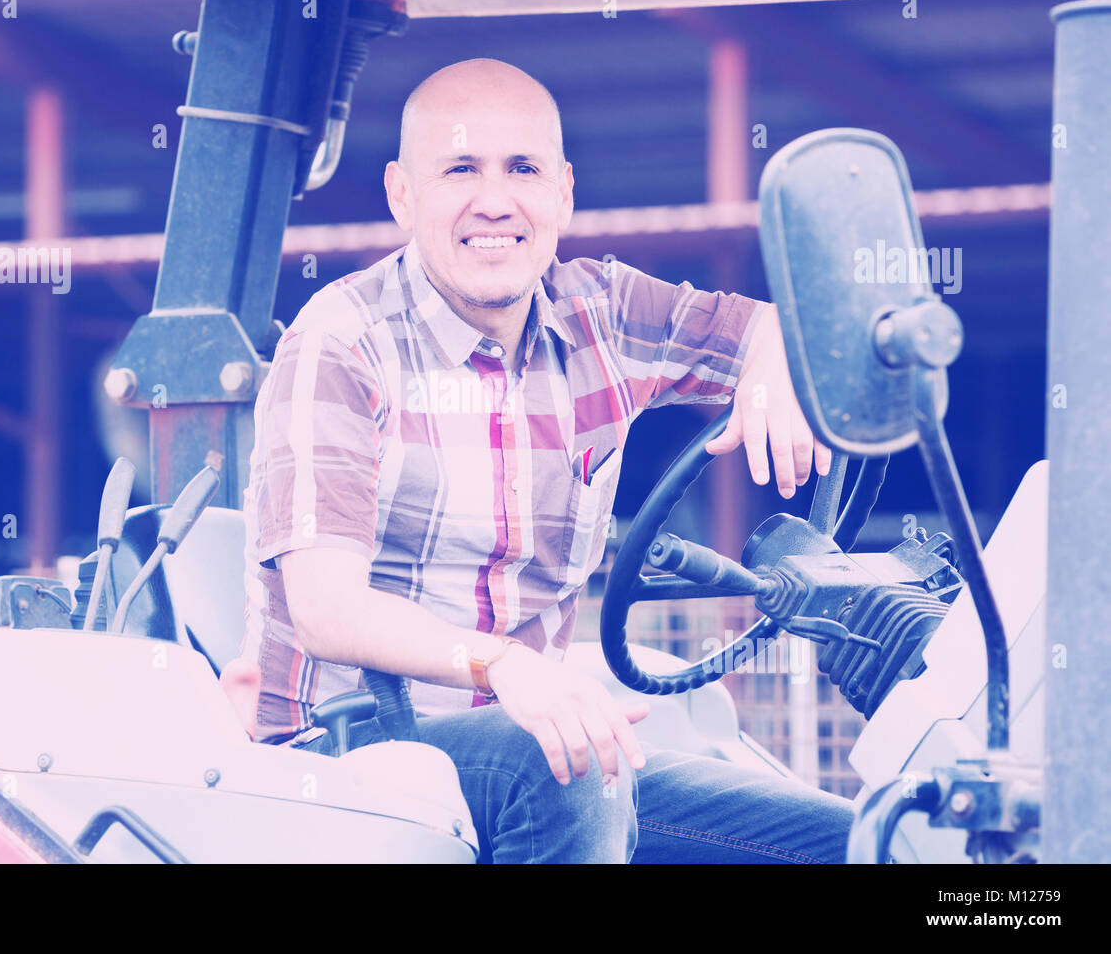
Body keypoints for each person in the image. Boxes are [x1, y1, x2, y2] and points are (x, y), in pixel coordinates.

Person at [227, 57, 856, 863]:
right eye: (461, 169)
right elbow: (326, 607)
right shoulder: (343, 342)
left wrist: (772, 363)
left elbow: (765, 325)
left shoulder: (602, 312)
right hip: (346, 758)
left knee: (857, 841)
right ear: (402, 195)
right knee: (569, 767)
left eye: (521, 168)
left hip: (539, 740)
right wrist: (502, 665)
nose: (495, 199)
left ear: (562, 192)